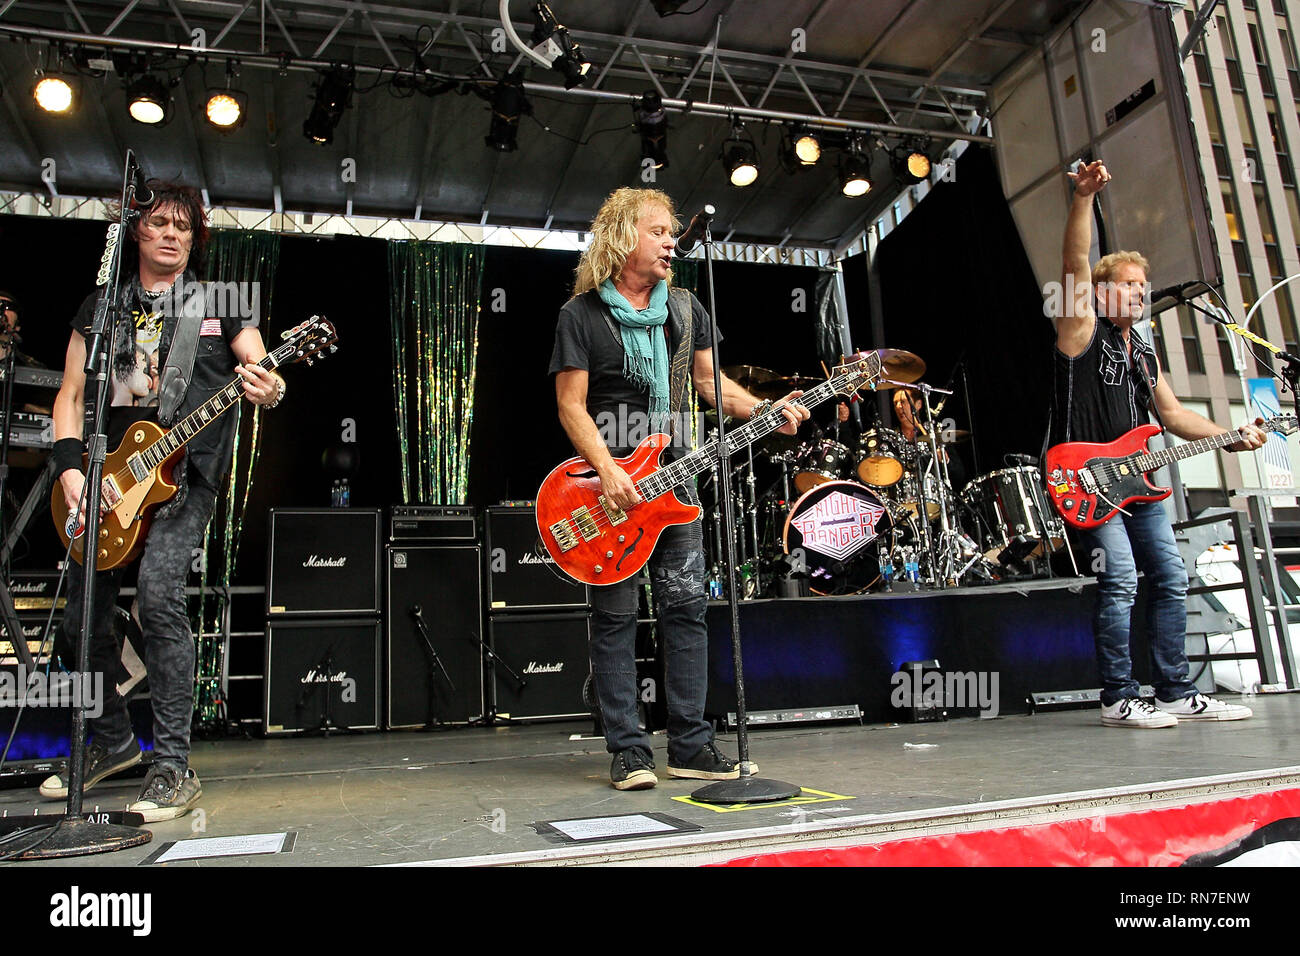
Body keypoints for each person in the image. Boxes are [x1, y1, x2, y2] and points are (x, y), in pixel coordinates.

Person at [549, 187, 809, 790]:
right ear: (621, 237)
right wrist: (608, 469)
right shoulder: (581, 315)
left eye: (673, 232)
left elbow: (710, 383)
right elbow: (571, 405)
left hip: (676, 485)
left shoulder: (686, 308)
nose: (672, 241)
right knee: (615, 618)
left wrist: (767, 409)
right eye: (658, 231)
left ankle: (690, 744)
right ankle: (629, 749)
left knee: (686, 610)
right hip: (607, 488)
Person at [40, 181, 283, 819]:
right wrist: (70, 470)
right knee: (79, 623)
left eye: (184, 225)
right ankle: (114, 743)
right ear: (136, 231)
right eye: (159, 223)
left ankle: (173, 766)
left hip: (184, 473)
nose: (172, 233)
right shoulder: (102, 305)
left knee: (158, 593)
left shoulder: (222, 298)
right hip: (105, 481)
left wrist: (269, 386)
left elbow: (259, 363)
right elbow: (68, 395)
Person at [1053, 160, 1265, 728]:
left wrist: (1229, 436)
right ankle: (1118, 696)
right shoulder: (1082, 329)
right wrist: (1082, 199)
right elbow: (1073, 264)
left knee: (1171, 578)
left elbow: (1170, 414)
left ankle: (1173, 689)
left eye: (1143, 286)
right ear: (1100, 293)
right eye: (1128, 285)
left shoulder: (1143, 353)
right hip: (1087, 478)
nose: (1139, 293)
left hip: (1142, 480)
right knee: (1120, 578)